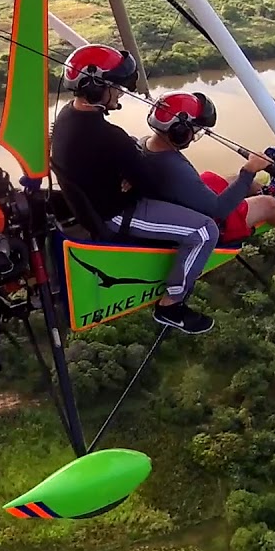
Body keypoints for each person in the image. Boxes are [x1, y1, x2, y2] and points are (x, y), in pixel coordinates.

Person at [49, 43, 217, 335]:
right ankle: (171, 306)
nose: (119, 92)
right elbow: (150, 186)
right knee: (205, 231)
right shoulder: (109, 136)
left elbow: (121, 168)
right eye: (115, 86)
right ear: (95, 89)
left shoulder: (67, 116)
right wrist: (131, 175)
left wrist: (127, 171)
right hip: (116, 213)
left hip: (93, 204)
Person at [139, 91, 275, 243]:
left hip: (174, 203)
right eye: (193, 131)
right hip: (207, 222)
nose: (193, 136)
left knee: (226, 180)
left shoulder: (146, 144)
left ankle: (266, 193)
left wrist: (245, 177)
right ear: (179, 132)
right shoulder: (174, 168)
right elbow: (219, 210)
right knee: (267, 204)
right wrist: (249, 171)